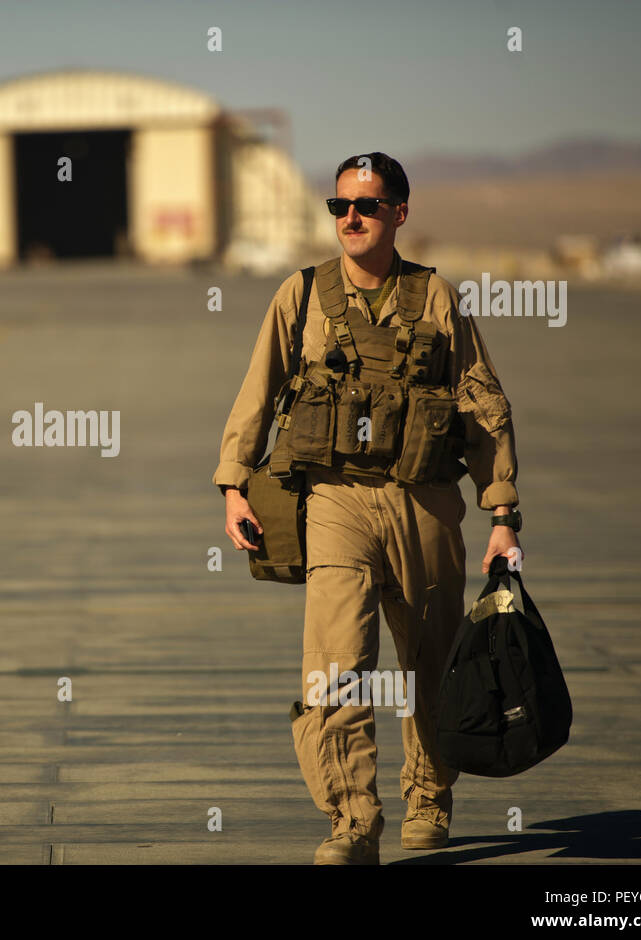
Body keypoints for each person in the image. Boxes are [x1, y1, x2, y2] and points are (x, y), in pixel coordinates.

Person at [213, 152, 523, 864]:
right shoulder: (302, 293)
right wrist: (234, 483)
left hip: (426, 504)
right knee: (338, 665)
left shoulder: (438, 297)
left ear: (399, 214)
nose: (350, 217)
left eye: (367, 205)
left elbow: (481, 405)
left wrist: (501, 509)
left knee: (432, 662)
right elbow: (258, 388)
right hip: (336, 500)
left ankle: (429, 792)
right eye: (340, 206)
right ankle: (352, 820)